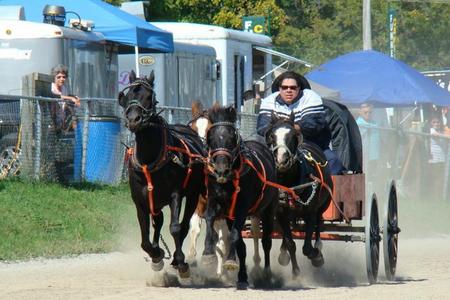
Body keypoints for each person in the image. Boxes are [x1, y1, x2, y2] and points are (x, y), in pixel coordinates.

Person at [257, 71, 344, 175]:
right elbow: (262, 127)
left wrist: (286, 127)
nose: (288, 90)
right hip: (277, 146)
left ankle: (329, 190)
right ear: (279, 88)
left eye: (293, 87)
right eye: (284, 87)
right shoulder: (269, 101)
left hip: (312, 144)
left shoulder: (310, 97)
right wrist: (286, 128)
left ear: (299, 88)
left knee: (334, 162)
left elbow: (313, 124)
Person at [50, 64, 80, 133]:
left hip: (63, 116)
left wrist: (75, 98)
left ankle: (74, 129)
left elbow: (65, 99)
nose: (62, 79)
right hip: (53, 117)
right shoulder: (51, 87)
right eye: (59, 77)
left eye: (64, 77)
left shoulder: (64, 88)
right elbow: (55, 96)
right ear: (54, 77)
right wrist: (71, 98)